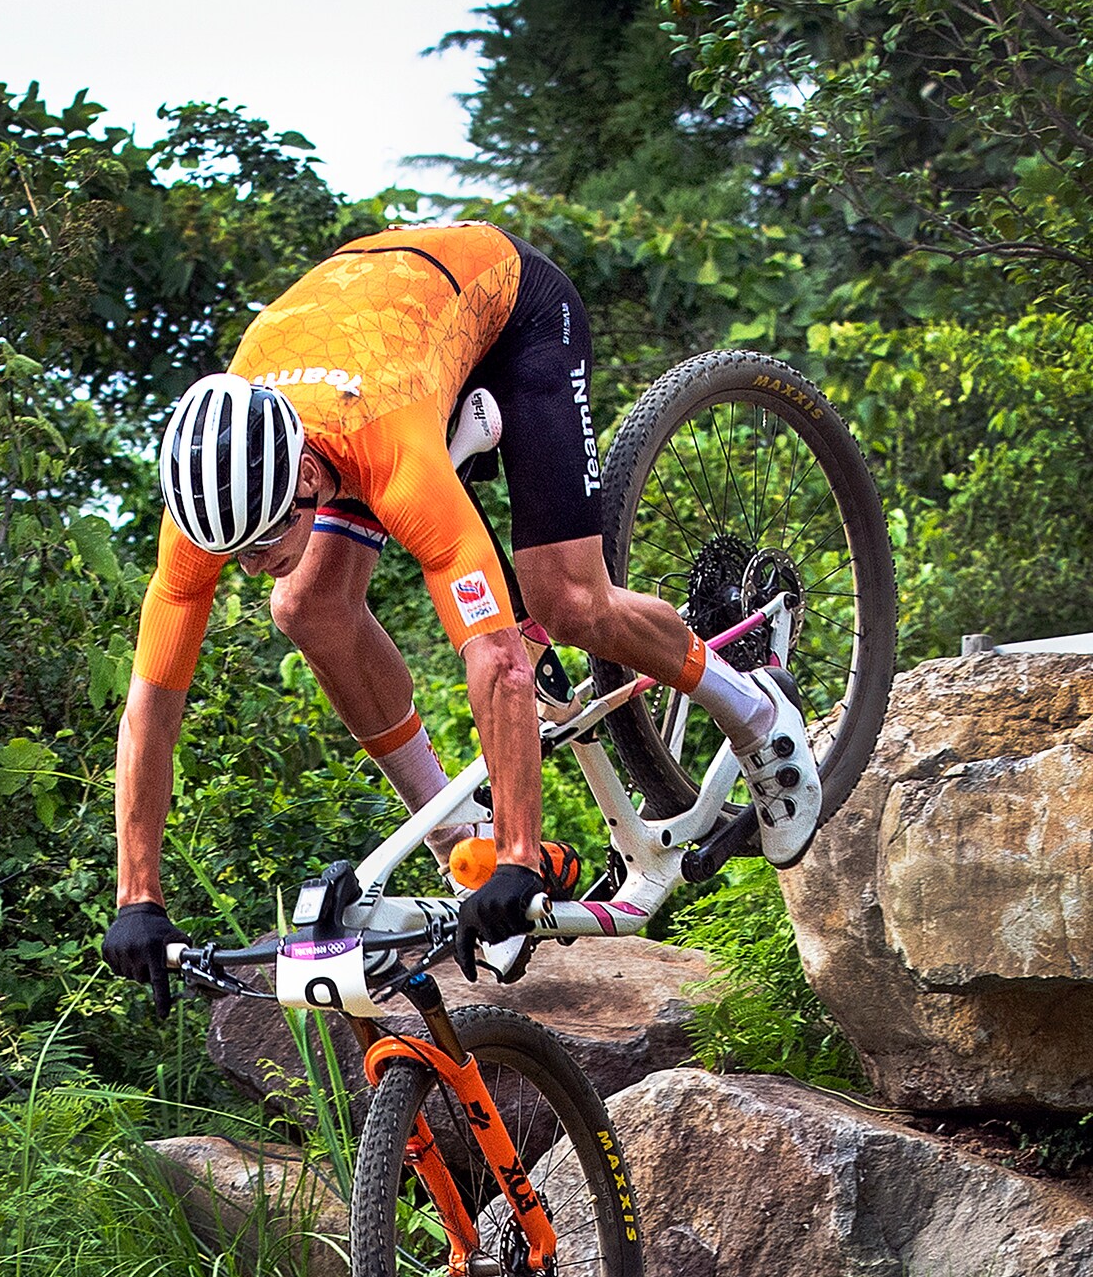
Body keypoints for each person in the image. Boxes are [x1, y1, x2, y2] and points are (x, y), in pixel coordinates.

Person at [100, 221, 816, 1006]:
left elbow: (497, 657)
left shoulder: (390, 455)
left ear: (307, 473)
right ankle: (455, 837)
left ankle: (756, 711)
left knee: (564, 600)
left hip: (503, 313)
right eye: (233, 549)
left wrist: (520, 860)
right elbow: (150, 710)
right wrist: (139, 895)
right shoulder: (216, 502)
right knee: (305, 604)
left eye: (271, 531)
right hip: (374, 344)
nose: (255, 556)